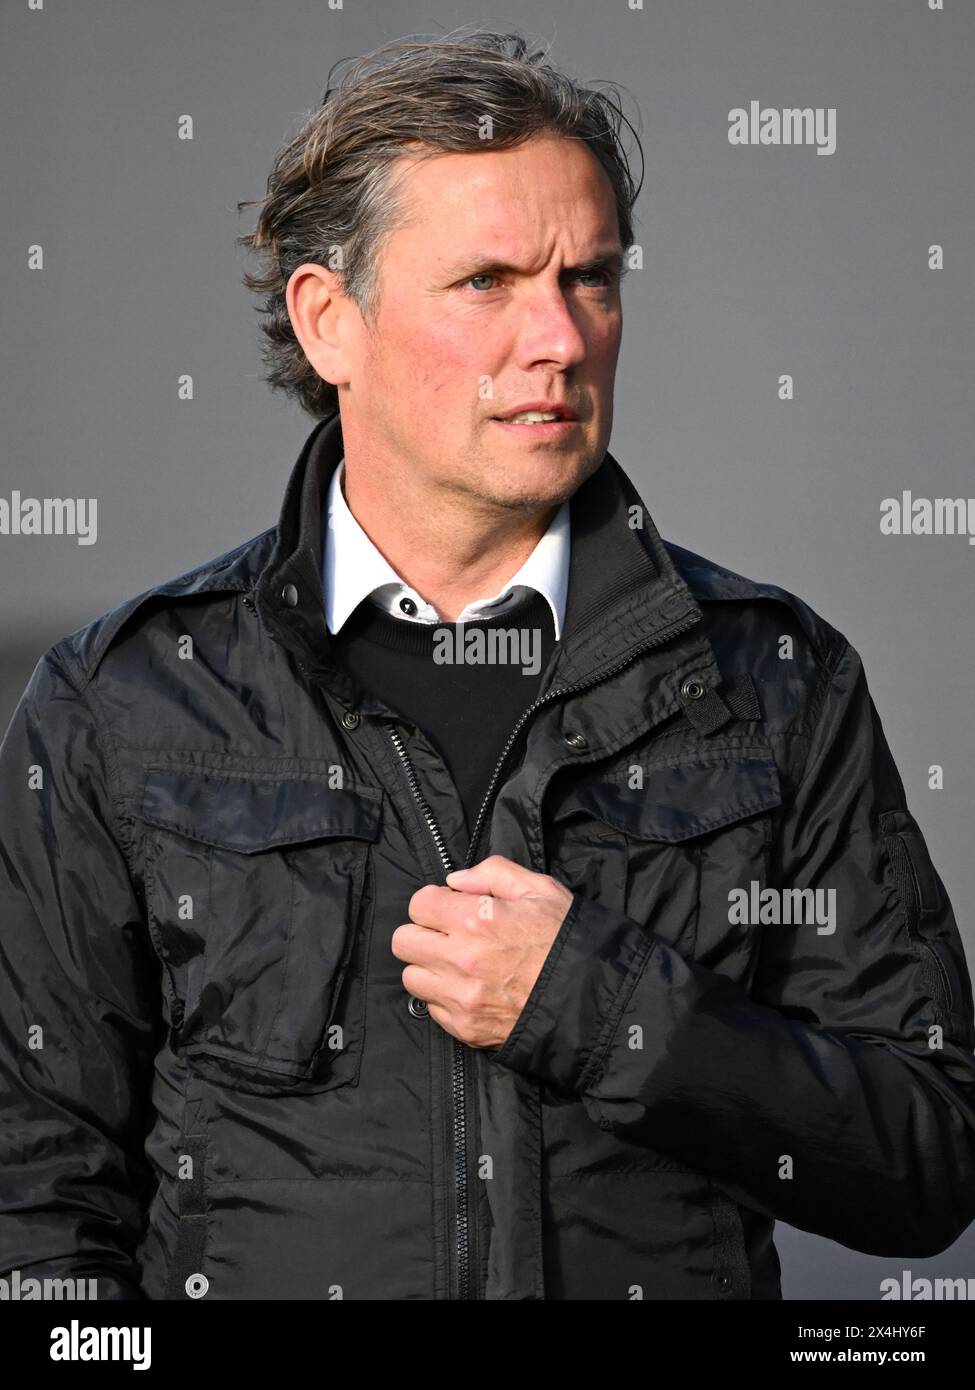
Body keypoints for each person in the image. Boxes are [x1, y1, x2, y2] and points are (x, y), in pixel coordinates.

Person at [1, 28, 974, 1302]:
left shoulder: (778, 681)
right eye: (488, 282)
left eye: (591, 277)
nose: (561, 338)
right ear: (328, 320)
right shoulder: (123, 701)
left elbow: (929, 1156)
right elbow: (34, 1204)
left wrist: (603, 1003)